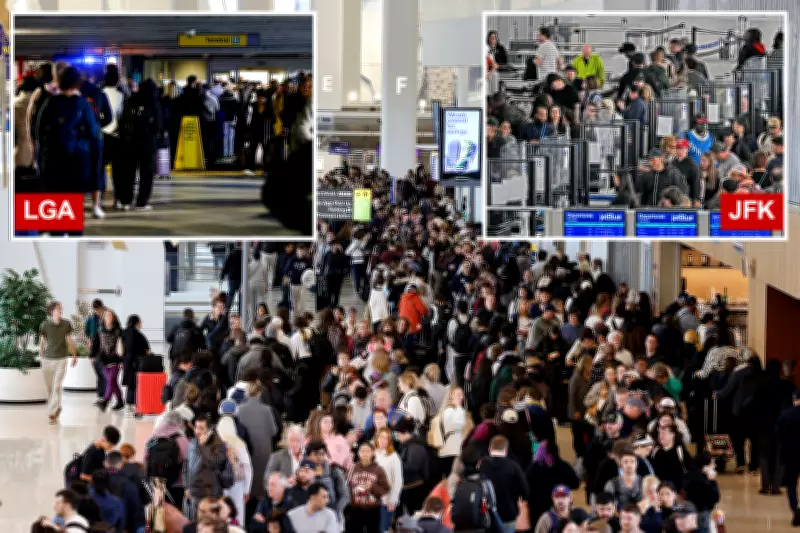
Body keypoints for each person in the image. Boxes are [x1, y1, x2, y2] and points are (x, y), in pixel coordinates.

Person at [183, 414, 235, 521]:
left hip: (210, 493)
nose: (197, 431)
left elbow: (216, 463)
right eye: (196, 427)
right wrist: (186, 486)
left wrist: (203, 446)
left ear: (209, 430)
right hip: (194, 492)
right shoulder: (193, 443)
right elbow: (186, 465)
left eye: (201, 428)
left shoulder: (219, 444)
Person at [479, 436, 529, 533]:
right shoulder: (513, 466)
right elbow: (525, 492)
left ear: (489, 449)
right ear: (505, 450)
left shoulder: (482, 466)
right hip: (508, 512)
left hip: (486, 513)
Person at [39, 301, 78, 424]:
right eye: (58, 309)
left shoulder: (66, 324)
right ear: (52, 312)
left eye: (61, 309)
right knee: (50, 388)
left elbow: (69, 340)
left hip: (61, 359)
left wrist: (74, 354)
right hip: (47, 359)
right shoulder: (44, 325)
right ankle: (57, 407)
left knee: (56, 386)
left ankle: (51, 413)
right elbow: (42, 341)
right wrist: (41, 355)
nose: (60, 311)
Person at [344, 442, 390, 533]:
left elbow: (386, 488)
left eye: (368, 451)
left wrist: (372, 487)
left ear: (373, 453)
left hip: (373, 508)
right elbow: (346, 487)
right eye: (362, 451)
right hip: (355, 508)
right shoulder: (352, 468)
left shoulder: (378, 469)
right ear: (358, 453)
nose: (365, 453)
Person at [776, 389, 800, 526]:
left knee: (791, 485)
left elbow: (778, 435)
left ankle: (795, 509)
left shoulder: (786, 415)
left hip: (791, 455)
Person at [94, 309, 124, 412]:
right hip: (103, 359)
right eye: (106, 316)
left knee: (111, 380)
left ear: (114, 317)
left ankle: (105, 401)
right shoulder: (100, 330)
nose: (108, 317)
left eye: (110, 315)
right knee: (112, 381)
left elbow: (122, 347)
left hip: (116, 359)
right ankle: (120, 401)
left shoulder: (119, 330)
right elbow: (96, 344)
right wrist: (92, 356)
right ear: (103, 318)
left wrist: (122, 361)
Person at [374, 427, 403, 532]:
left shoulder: (394, 457)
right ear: (377, 438)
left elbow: (398, 481)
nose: (383, 440)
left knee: (383, 529)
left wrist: (393, 500)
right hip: (371, 500)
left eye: (386, 438)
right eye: (381, 437)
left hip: (386, 500)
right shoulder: (373, 453)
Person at [121, 314, 151, 414]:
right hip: (136, 362)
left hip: (126, 361)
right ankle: (132, 403)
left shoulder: (123, 333)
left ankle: (129, 404)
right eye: (140, 322)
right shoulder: (139, 335)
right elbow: (146, 350)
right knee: (135, 382)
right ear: (137, 323)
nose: (141, 324)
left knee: (130, 383)